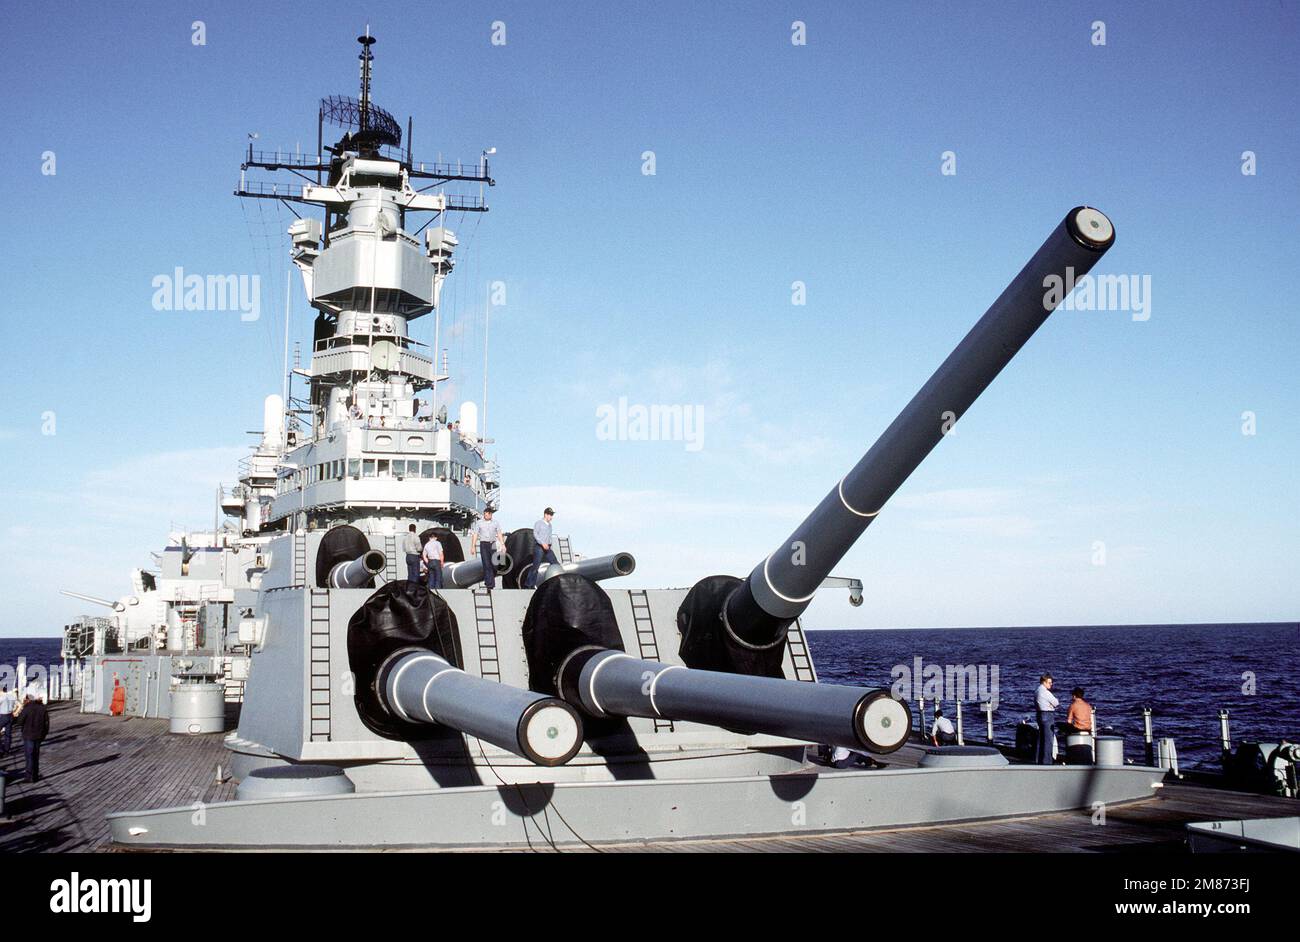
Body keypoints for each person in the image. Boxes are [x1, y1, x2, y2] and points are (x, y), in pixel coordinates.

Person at [15, 694, 50, 783]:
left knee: (29, 756)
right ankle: (35, 775)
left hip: (28, 735)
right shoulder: (43, 708)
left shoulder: (27, 708)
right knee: (36, 755)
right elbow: (47, 723)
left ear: (28, 699)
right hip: (39, 735)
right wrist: (44, 734)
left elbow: (19, 722)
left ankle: (29, 776)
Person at [469, 508, 506, 590]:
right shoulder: (479, 523)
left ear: (490, 514)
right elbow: (475, 534)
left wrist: (503, 545)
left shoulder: (495, 523)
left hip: (493, 544)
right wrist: (473, 546)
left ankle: (488, 579)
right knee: (486, 564)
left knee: (494, 565)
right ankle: (490, 585)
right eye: (485, 514)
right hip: (484, 544)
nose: (486, 515)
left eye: (487, 514)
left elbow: (499, 533)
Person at [526, 507, 559, 588]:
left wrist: (549, 544)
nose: (551, 517)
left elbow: (549, 536)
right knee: (536, 567)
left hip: (547, 548)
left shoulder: (550, 525)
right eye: (550, 515)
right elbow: (535, 534)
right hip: (539, 547)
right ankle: (529, 585)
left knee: (555, 564)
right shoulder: (539, 523)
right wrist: (543, 543)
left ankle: (558, 583)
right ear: (545, 514)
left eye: (552, 515)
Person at [1035, 673, 1059, 765]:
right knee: (1048, 740)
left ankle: (1039, 760)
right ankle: (1047, 762)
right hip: (1047, 715)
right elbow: (1056, 702)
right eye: (1049, 682)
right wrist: (1051, 705)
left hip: (1040, 714)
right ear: (1044, 682)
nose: (1051, 684)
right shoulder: (1045, 692)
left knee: (1041, 739)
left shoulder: (1037, 691)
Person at [0, 685, 15, 755]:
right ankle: (7, 750)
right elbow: (18, 705)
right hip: (10, 716)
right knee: (8, 734)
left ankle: (1, 749)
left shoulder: (2, 697)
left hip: (3, 716)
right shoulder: (12, 696)